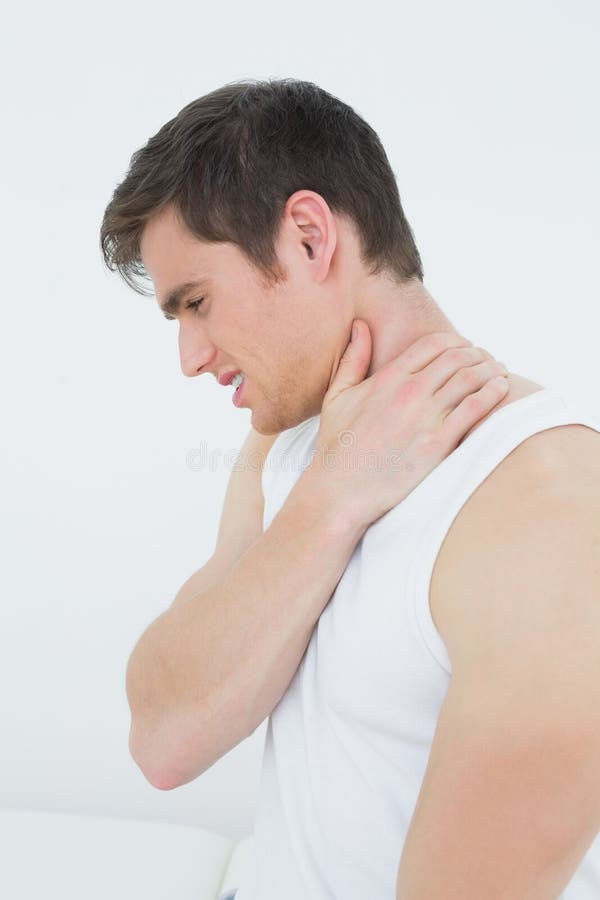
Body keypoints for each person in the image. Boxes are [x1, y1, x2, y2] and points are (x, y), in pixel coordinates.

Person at [101, 79, 600, 899]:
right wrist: (334, 493)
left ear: (306, 236)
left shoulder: (545, 503)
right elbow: (163, 736)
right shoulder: (287, 444)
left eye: (197, 302)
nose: (190, 357)